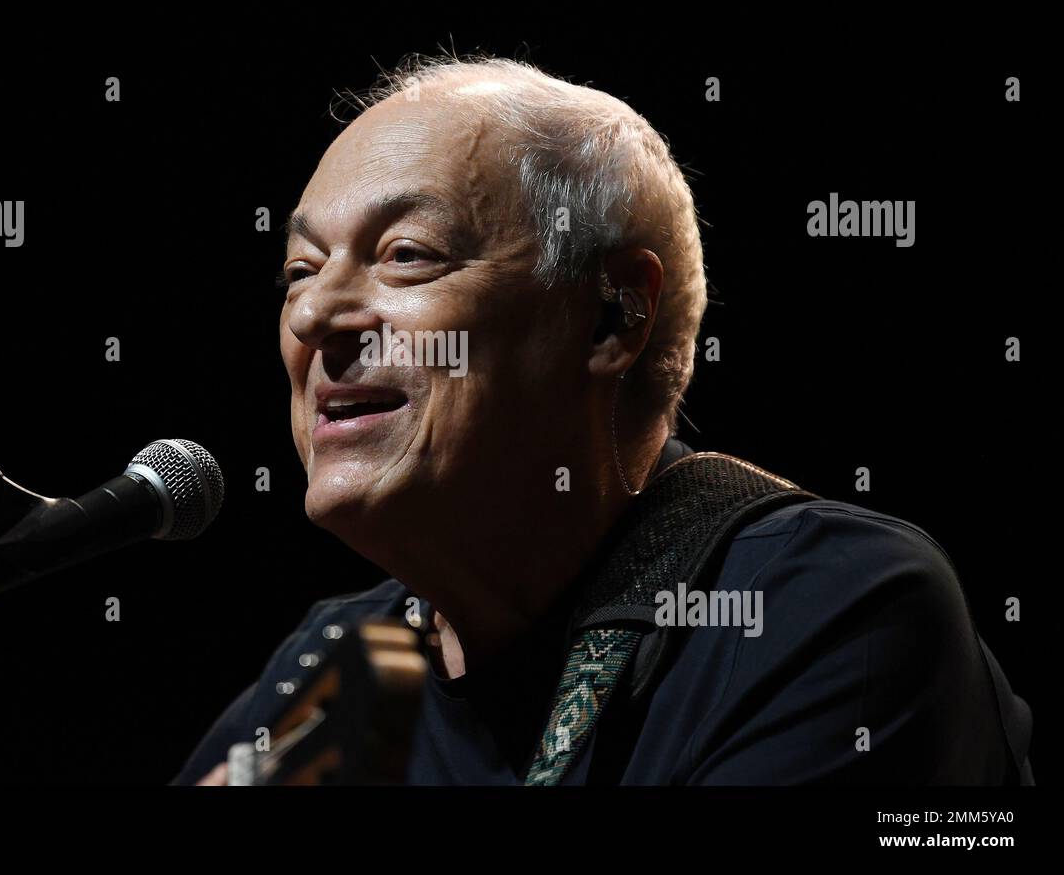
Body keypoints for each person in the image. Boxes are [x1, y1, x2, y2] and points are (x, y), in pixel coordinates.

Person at [176, 55, 1032, 785]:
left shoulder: (822, 606)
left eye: (407, 255)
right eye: (300, 268)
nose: (312, 315)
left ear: (610, 318)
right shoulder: (344, 669)